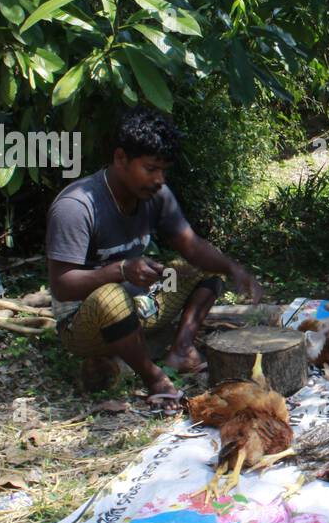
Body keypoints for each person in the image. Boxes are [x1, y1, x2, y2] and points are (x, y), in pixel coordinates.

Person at [46, 107, 262, 408]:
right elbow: (62, 286)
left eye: (164, 170)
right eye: (150, 169)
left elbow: (192, 246)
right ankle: (154, 378)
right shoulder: (77, 206)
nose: (160, 179)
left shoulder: (156, 195)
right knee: (110, 298)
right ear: (121, 158)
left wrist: (232, 268)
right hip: (83, 322)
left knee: (197, 269)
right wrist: (121, 269)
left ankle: (182, 350)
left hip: (140, 304)